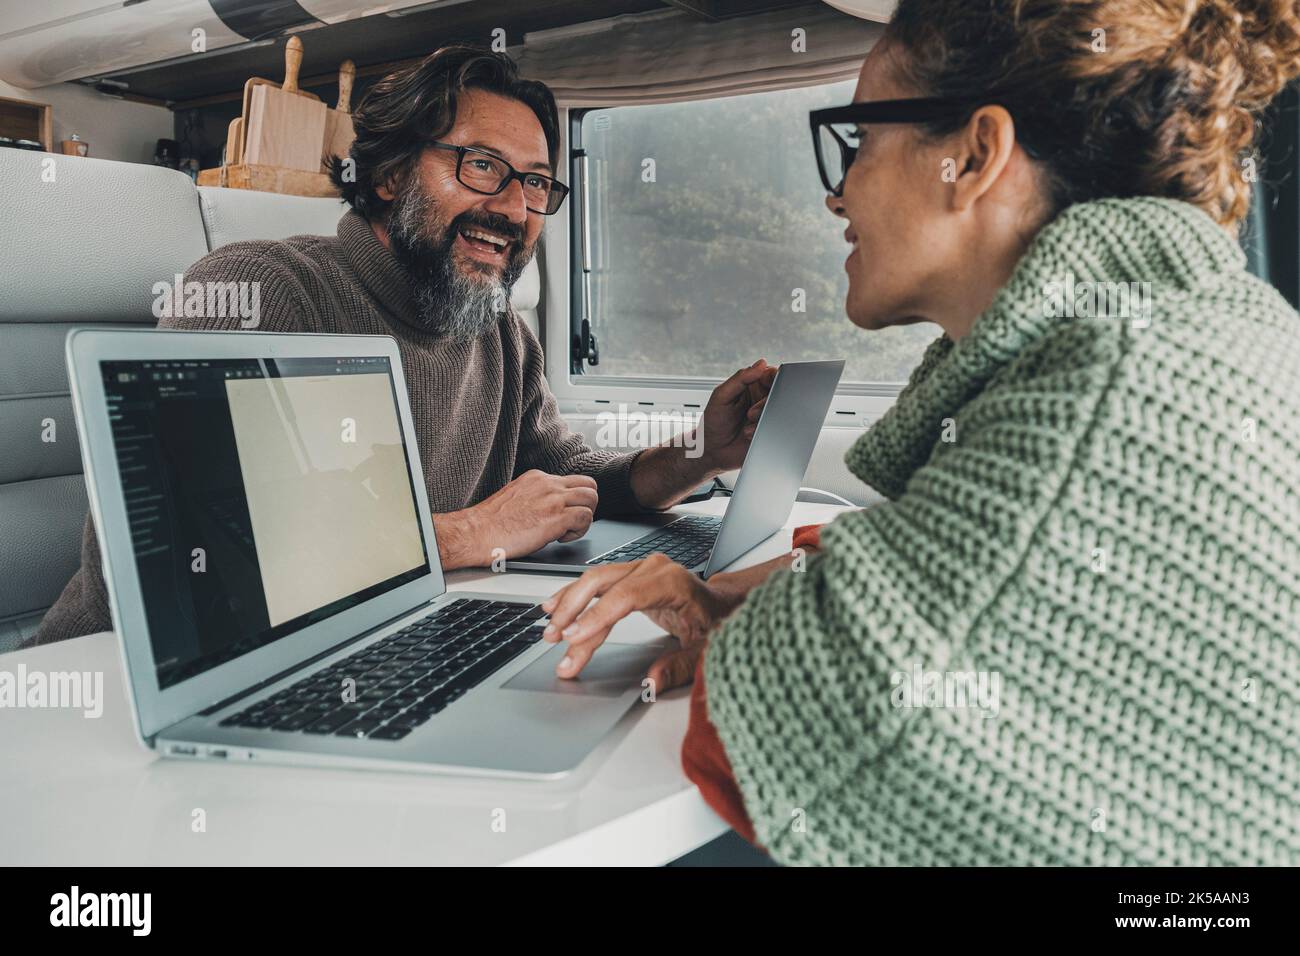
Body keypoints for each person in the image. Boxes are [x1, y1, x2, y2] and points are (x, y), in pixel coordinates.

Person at [541, 0, 1300, 865]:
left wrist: (752, 625)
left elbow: (797, 728)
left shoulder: (1093, 408)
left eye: (857, 141)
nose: (838, 192)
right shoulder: (1171, 327)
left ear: (975, 156)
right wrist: (724, 599)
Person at [32, 46, 774, 646]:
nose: (516, 208)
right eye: (482, 167)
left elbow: (570, 477)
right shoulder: (259, 290)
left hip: (359, 645)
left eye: (539, 184)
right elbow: (183, 555)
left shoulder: (501, 336)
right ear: (388, 174)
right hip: (127, 684)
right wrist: (471, 532)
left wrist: (700, 454)